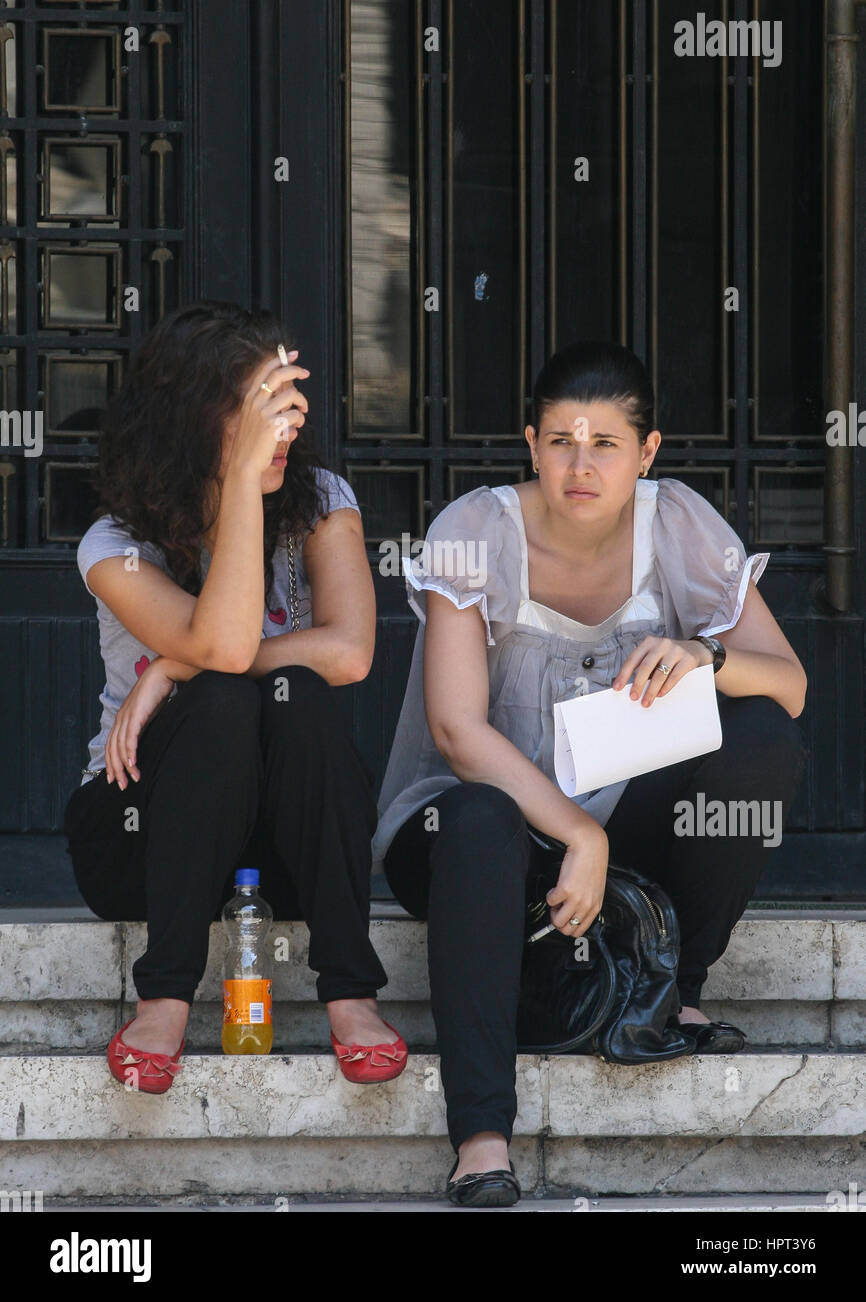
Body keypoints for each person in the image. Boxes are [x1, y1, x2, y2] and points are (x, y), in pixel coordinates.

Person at [374, 341, 808, 1207]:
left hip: (622, 833)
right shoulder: (476, 529)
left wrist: (704, 652)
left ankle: (672, 988)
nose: (582, 464)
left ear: (645, 454)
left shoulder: (677, 520)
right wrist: (576, 832)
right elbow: (458, 731)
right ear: (530, 443)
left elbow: (791, 684)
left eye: (606, 443)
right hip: (478, 838)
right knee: (477, 819)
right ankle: (482, 1134)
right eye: (561, 441)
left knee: (761, 738)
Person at [63, 299, 406, 1093]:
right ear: (193, 415)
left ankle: (350, 990)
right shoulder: (116, 542)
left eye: (285, 406)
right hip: (138, 838)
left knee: (295, 693)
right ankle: (165, 998)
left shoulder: (320, 501)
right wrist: (241, 490)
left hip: (279, 848)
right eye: (259, 409)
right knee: (223, 695)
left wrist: (165, 669)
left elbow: (351, 653)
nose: (282, 429)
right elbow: (221, 647)